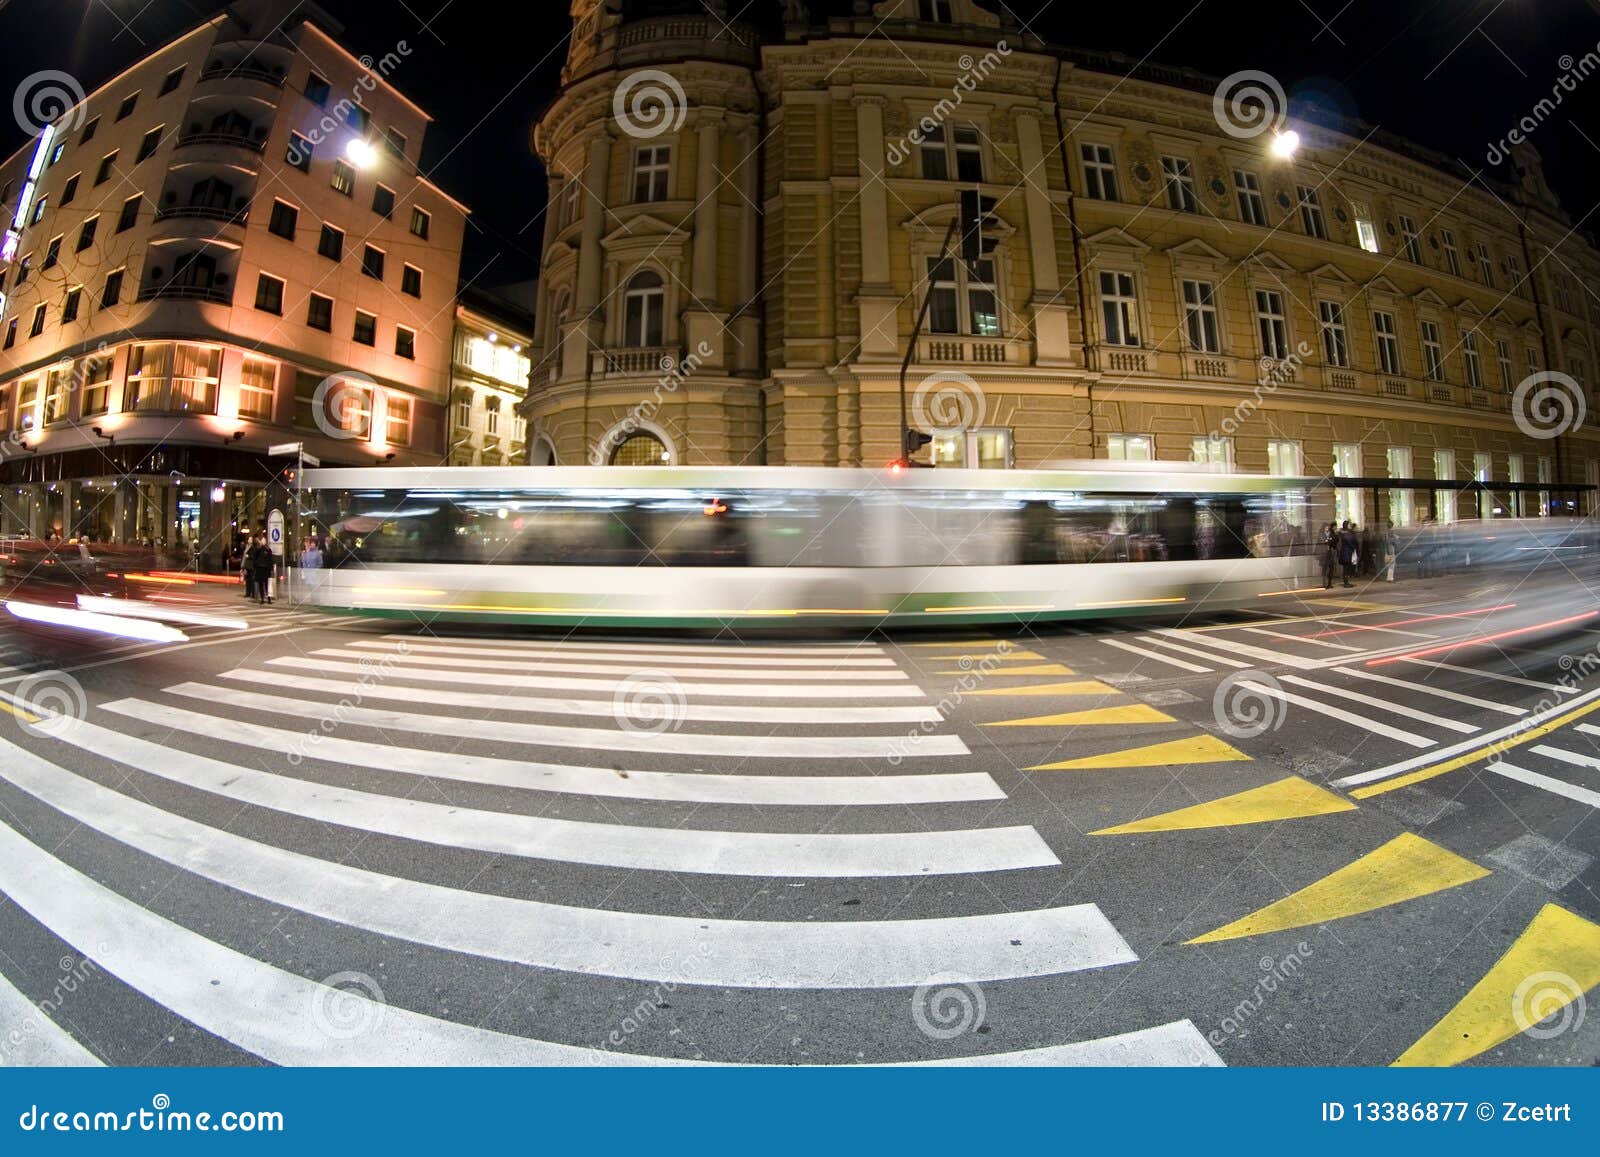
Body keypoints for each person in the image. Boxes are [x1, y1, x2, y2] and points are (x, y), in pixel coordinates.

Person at [248, 534, 276, 605]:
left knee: (267, 585)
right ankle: (262, 598)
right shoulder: (258, 549)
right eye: (262, 540)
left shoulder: (268, 549)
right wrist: (255, 566)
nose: (263, 542)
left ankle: (268, 598)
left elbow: (270, 560)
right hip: (260, 569)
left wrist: (271, 569)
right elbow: (254, 557)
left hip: (266, 569)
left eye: (264, 540)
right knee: (261, 584)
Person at [1337, 520, 1359, 588]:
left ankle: (1346, 582)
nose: (1350, 525)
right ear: (1346, 525)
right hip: (1346, 552)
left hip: (1347, 552)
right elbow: (1350, 542)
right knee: (1346, 568)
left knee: (1346, 568)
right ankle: (1346, 583)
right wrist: (1354, 547)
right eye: (1349, 524)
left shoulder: (1348, 533)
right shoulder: (1346, 534)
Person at [1320, 522, 1338, 589]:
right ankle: (1324, 583)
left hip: (1329, 552)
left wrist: (1329, 540)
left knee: (1331, 568)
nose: (1327, 529)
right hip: (1324, 553)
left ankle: (1329, 583)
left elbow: (1334, 541)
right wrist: (1328, 540)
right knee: (1324, 568)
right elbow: (1323, 541)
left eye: (1328, 527)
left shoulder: (1330, 534)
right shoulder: (1321, 534)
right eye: (1326, 527)